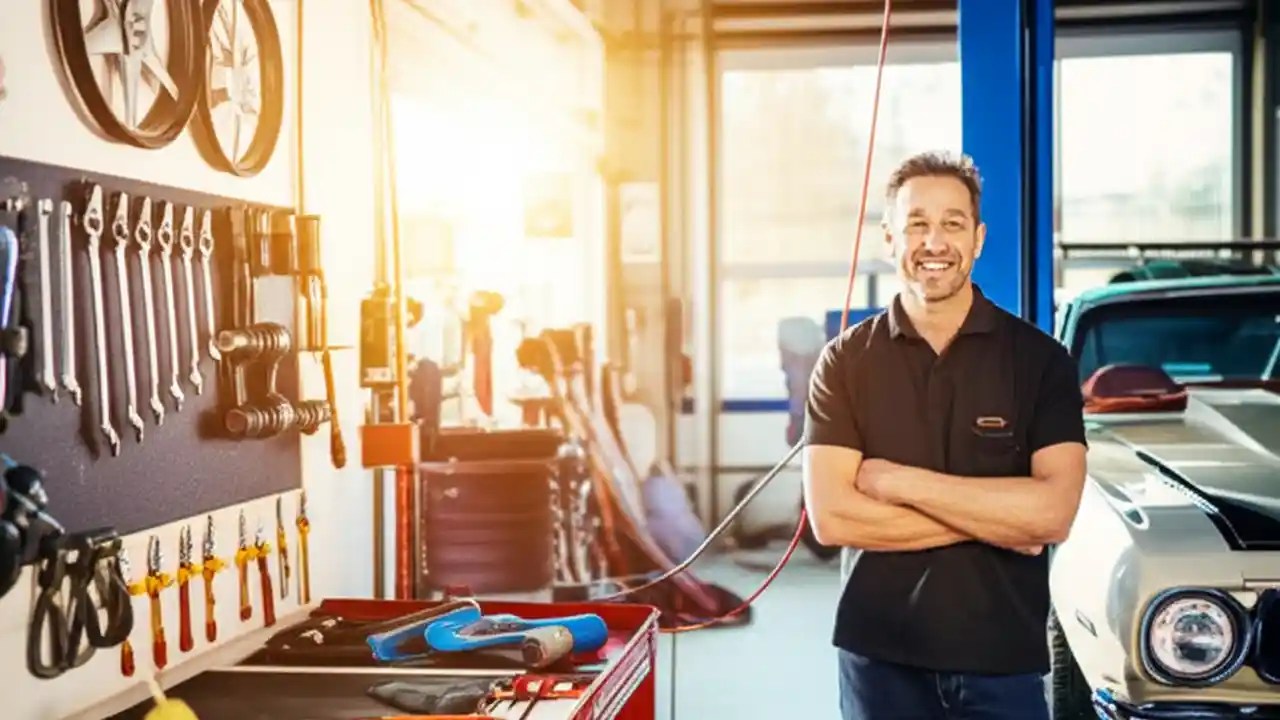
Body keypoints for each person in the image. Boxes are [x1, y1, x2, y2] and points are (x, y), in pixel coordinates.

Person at [802, 150, 1088, 720]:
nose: (935, 242)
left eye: (953, 224)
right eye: (917, 224)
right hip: (879, 660)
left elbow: (1051, 517)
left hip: (1003, 661)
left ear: (978, 238)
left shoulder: (1040, 362)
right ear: (889, 237)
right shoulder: (844, 364)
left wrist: (896, 481)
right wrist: (998, 521)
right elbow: (833, 519)